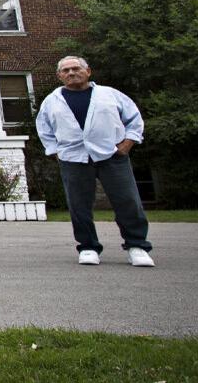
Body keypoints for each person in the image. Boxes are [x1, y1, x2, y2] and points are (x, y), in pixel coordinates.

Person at [36, 56, 154, 267]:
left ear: (88, 71)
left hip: (111, 155)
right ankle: (88, 247)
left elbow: (134, 119)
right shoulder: (52, 101)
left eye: (76, 68)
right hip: (73, 158)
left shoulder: (109, 95)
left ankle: (137, 246)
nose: (71, 73)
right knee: (79, 205)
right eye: (66, 70)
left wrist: (127, 144)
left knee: (127, 201)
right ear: (59, 76)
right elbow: (44, 129)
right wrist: (56, 152)